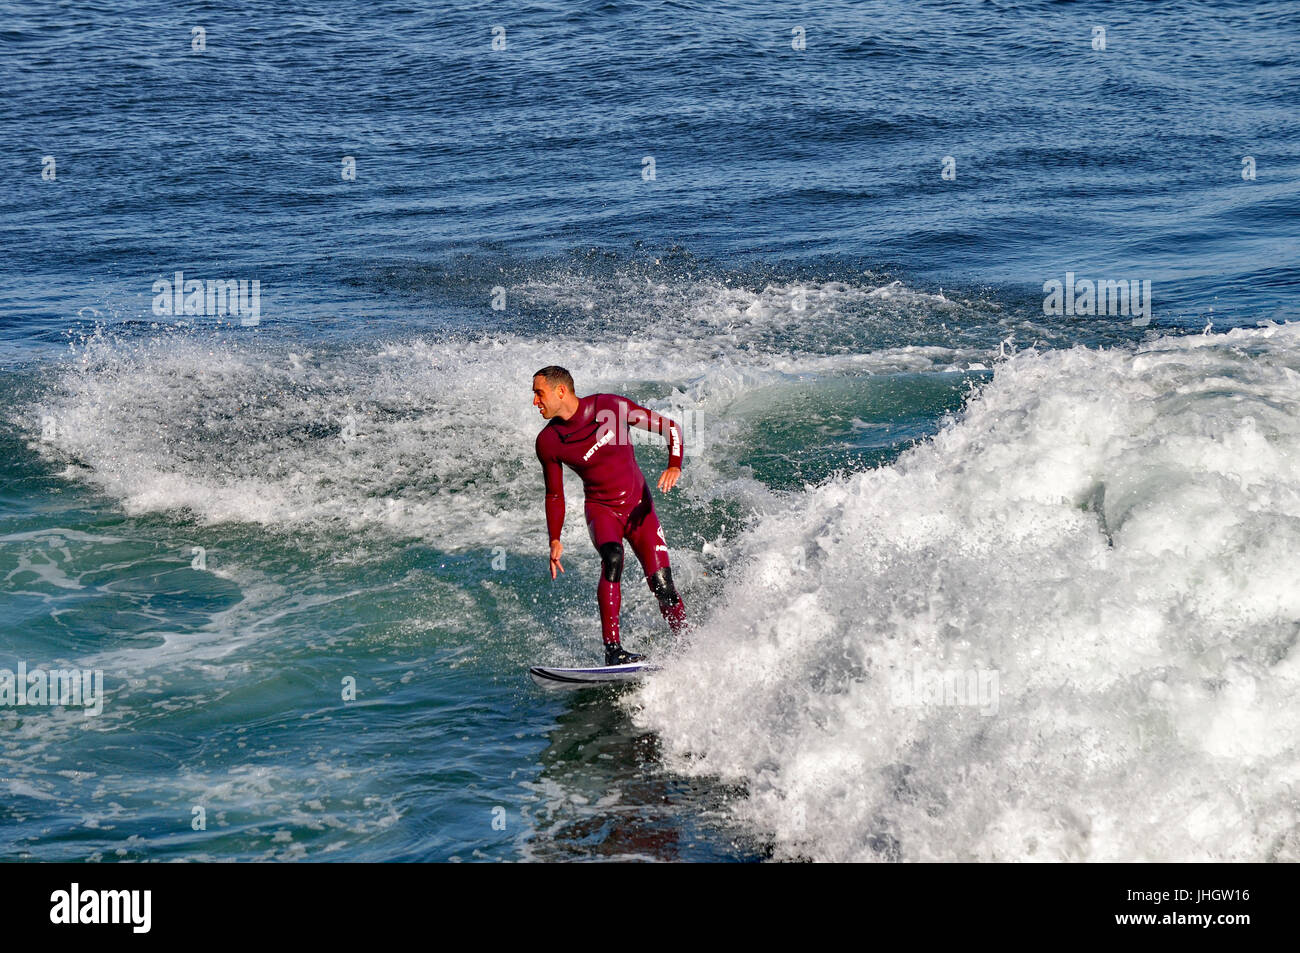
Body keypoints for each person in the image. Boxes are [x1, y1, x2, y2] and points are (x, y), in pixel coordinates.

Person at [532, 365, 689, 665]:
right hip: (601, 510)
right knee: (613, 558)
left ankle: (686, 643)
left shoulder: (610, 407)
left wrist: (674, 464)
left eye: (539, 394)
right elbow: (554, 494)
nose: (535, 402)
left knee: (663, 585)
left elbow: (671, 428)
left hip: (638, 506)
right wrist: (554, 539)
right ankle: (613, 651)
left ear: (560, 391)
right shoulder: (548, 442)